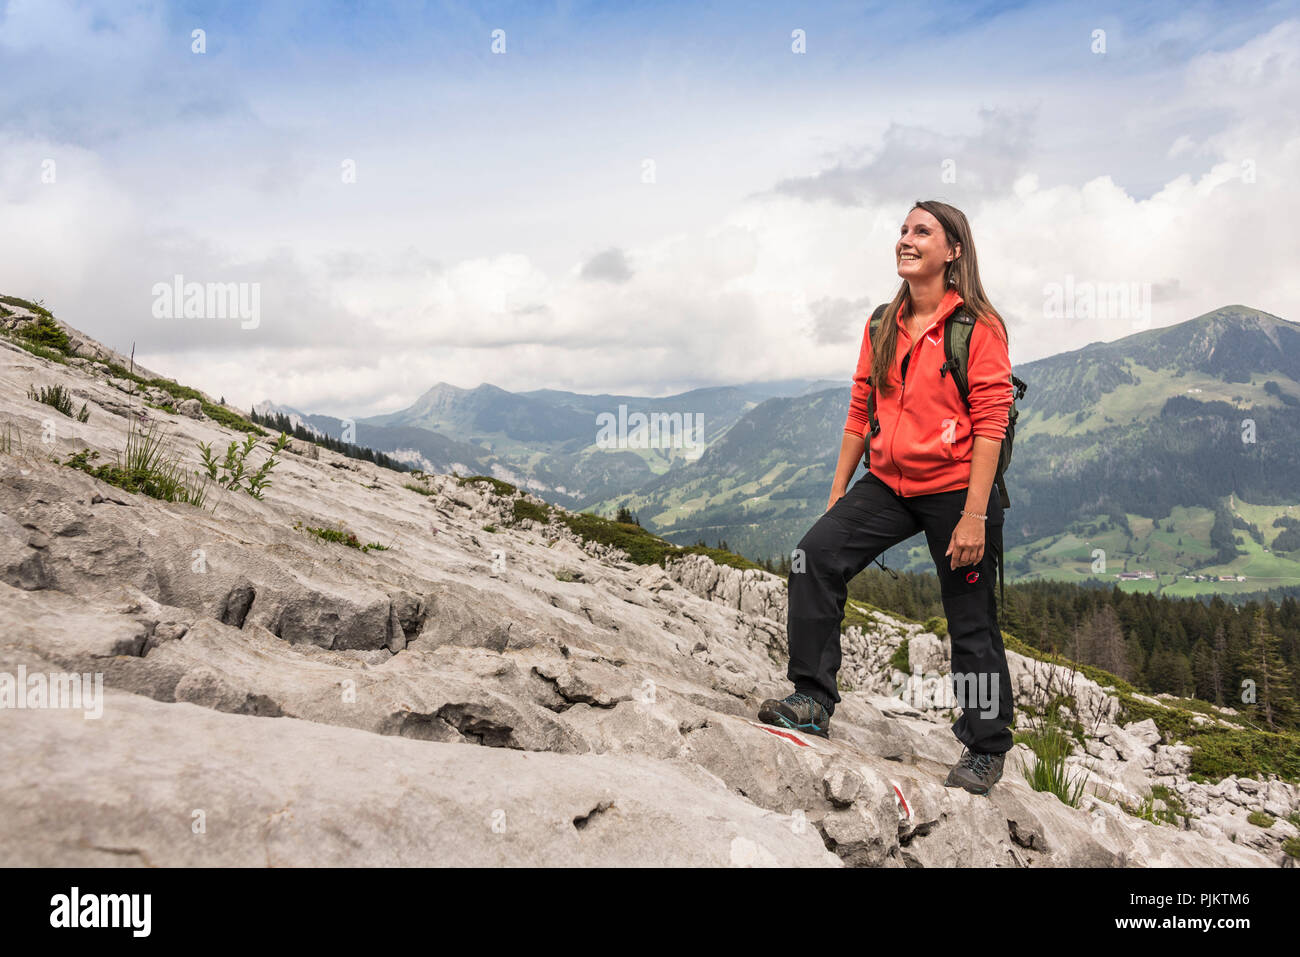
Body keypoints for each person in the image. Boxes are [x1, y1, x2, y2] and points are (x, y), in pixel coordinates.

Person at [758, 200, 1015, 796]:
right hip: (890, 483)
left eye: (921, 231)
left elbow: (991, 425)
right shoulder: (882, 323)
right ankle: (812, 699)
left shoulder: (978, 326)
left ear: (953, 251)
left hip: (957, 491)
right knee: (814, 556)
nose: (906, 239)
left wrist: (974, 516)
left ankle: (985, 748)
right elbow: (859, 410)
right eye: (902, 230)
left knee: (970, 620)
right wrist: (836, 493)